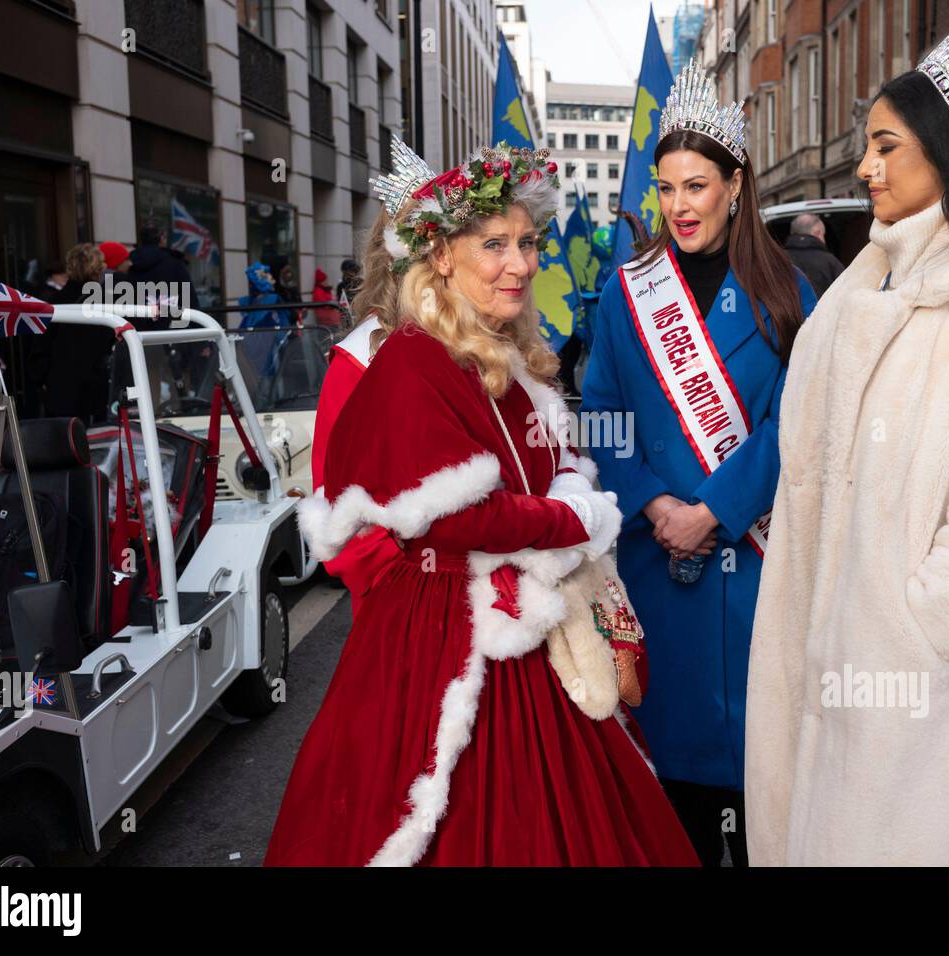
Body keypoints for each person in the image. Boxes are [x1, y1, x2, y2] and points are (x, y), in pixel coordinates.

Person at [264, 142, 698, 866]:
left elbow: (548, 464)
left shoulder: (510, 353)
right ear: (440, 257)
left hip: (529, 616)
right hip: (442, 633)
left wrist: (571, 482)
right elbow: (457, 517)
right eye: (494, 245)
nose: (521, 264)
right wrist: (576, 517)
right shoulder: (410, 359)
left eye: (527, 243)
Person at [746, 0, 949, 866]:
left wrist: (920, 633)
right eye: (869, 144)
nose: (865, 165)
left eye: (886, 143)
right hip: (816, 649)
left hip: (915, 681)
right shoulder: (863, 285)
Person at [581, 59, 813, 867]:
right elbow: (604, 418)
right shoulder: (626, 290)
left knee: (758, 788)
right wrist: (654, 506)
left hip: (755, 565)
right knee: (664, 792)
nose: (680, 206)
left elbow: (799, 426)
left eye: (697, 186)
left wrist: (714, 509)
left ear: (735, 186)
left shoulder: (788, 290)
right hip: (655, 570)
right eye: (667, 189)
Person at [310, 139, 436, 620]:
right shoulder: (360, 356)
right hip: (405, 604)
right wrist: (393, 581)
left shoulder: (482, 344)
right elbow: (333, 496)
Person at [42, 243, 116, 423]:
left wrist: (43, 381)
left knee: (66, 443)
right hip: (94, 389)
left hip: (61, 388)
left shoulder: (54, 301)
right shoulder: (104, 301)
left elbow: (41, 347)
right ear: (97, 269)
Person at [784, 212, 845, 297]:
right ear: (817, 233)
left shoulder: (779, 259)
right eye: (823, 235)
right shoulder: (830, 261)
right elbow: (846, 290)